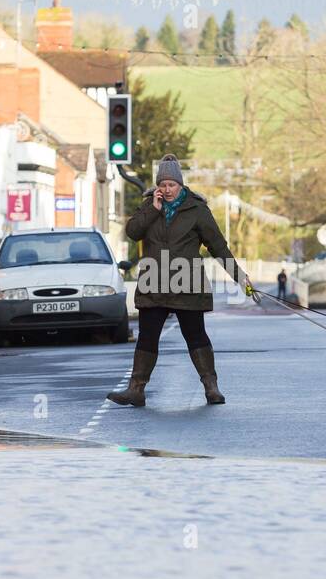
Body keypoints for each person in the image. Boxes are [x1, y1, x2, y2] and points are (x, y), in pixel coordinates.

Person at [107, 155, 252, 407]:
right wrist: (153, 209)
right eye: (162, 184)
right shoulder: (150, 206)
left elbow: (217, 245)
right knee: (147, 337)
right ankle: (136, 389)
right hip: (154, 281)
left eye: (171, 185)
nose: (166, 189)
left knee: (195, 335)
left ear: (181, 185)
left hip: (187, 282)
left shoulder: (197, 209)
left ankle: (211, 386)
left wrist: (240, 277)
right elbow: (133, 232)